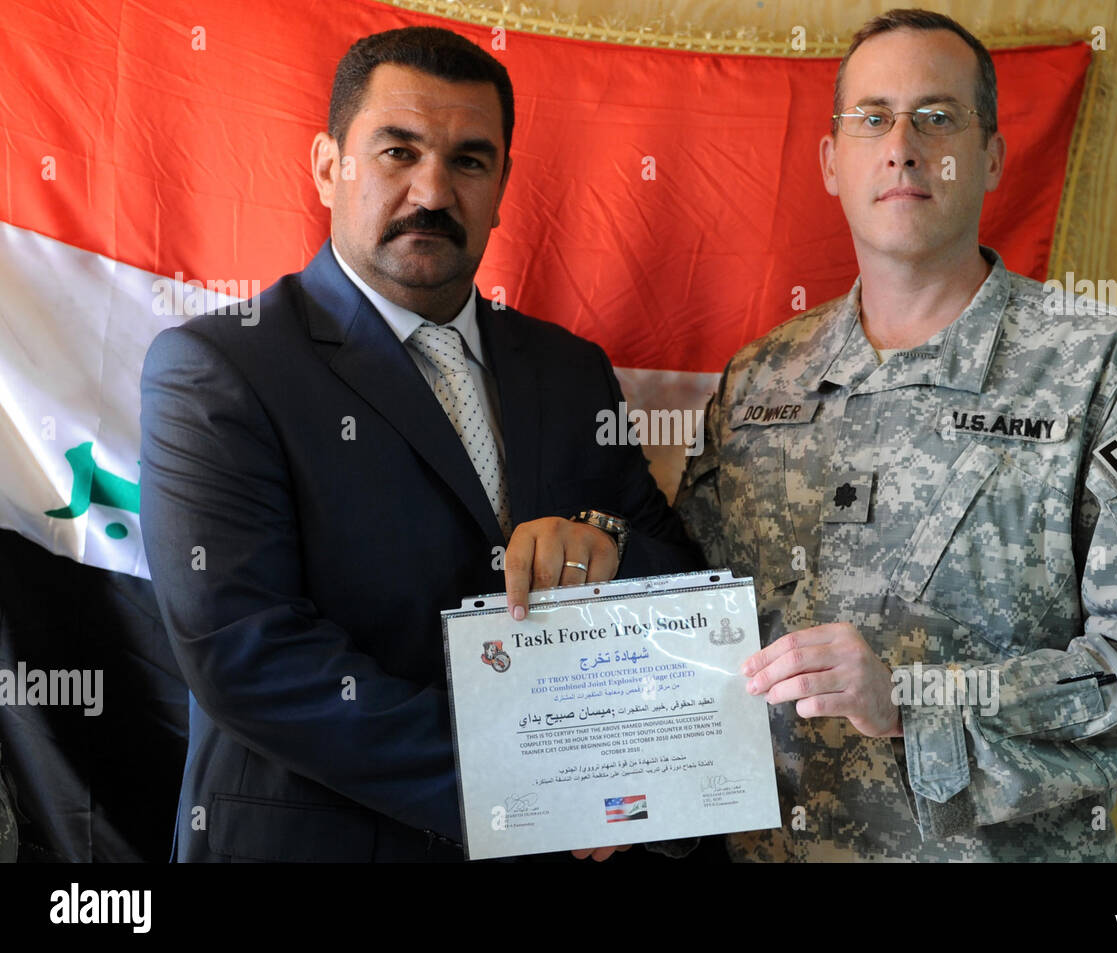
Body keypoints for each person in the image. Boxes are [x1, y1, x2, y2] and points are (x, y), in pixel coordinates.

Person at [674, 8, 1117, 861]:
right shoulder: (760, 379)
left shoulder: (1103, 369)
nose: (902, 144)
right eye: (873, 117)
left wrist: (914, 700)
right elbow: (697, 620)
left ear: (992, 158)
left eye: (937, 117)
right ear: (833, 162)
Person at [139, 26, 700, 862]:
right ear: (330, 165)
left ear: (504, 185)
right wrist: (537, 788)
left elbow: (680, 580)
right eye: (398, 151)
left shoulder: (570, 370)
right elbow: (246, 654)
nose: (432, 191)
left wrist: (608, 549)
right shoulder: (218, 366)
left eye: (470, 161)